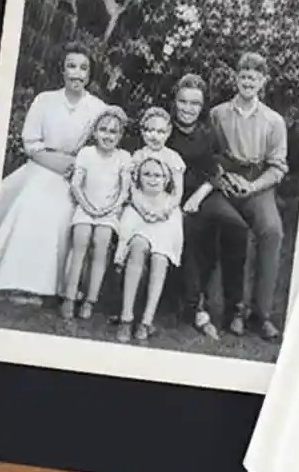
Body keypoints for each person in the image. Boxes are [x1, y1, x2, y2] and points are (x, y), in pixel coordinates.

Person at [0, 42, 107, 305]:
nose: (77, 73)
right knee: (29, 201)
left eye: (83, 68)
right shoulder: (45, 100)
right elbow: (31, 144)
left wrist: (76, 168)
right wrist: (57, 163)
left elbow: (99, 149)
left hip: (75, 176)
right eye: (71, 66)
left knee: (61, 212)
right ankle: (13, 282)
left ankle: (50, 287)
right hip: (42, 166)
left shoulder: (97, 108)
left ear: (89, 74)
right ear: (62, 70)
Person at [209, 52, 288, 341]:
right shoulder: (219, 113)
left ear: (262, 82)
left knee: (272, 231)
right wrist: (225, 178)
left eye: (254, 77)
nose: (248, 82)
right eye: (243, 76)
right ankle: (236, 310)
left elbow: (278, 166)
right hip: (228, 181)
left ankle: (262, 314)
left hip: (258, 185)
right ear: (236, 78)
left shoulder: (273, 121)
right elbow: (212, 153)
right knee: (235, 230)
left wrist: (253, 187)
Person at [167, 73, 248, 341]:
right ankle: (194, 306)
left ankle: (234, 307)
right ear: (174, 101)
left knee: (236, 226)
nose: (188, 108)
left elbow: (216, 168)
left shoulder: (207, 132)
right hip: (172, 198)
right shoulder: (164, 130)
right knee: (189, 230)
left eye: (194, 103)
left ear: (201, 106)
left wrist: (199, 196)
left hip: (204, 193)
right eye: (183, 101)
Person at [60, 106, 132, 320]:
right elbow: (76, 185)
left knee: (102, 242)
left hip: (109, 211)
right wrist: (88, 207)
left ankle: (90, 300)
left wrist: (110, 208)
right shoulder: (87, 153)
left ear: (120, 135)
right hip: (86, 206)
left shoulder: (123, 157)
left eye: (113, 132)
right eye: (103, 130)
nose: (107, 136)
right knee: (80, 240)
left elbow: (124, 190)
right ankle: (70, 297)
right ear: (94, 132)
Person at [113, 154, 184, 343]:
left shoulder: (171, 205)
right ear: (138, 178)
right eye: (147, 175)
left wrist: (159, 217)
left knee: (160, 258)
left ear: (166, 179)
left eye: (158, 176)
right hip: (137, 245)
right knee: (137, 246)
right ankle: (126, 317)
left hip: (161, 246)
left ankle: (146, 321)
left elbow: (173, 240)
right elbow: (126, 234)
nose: (153, 179)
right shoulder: (134, 204)